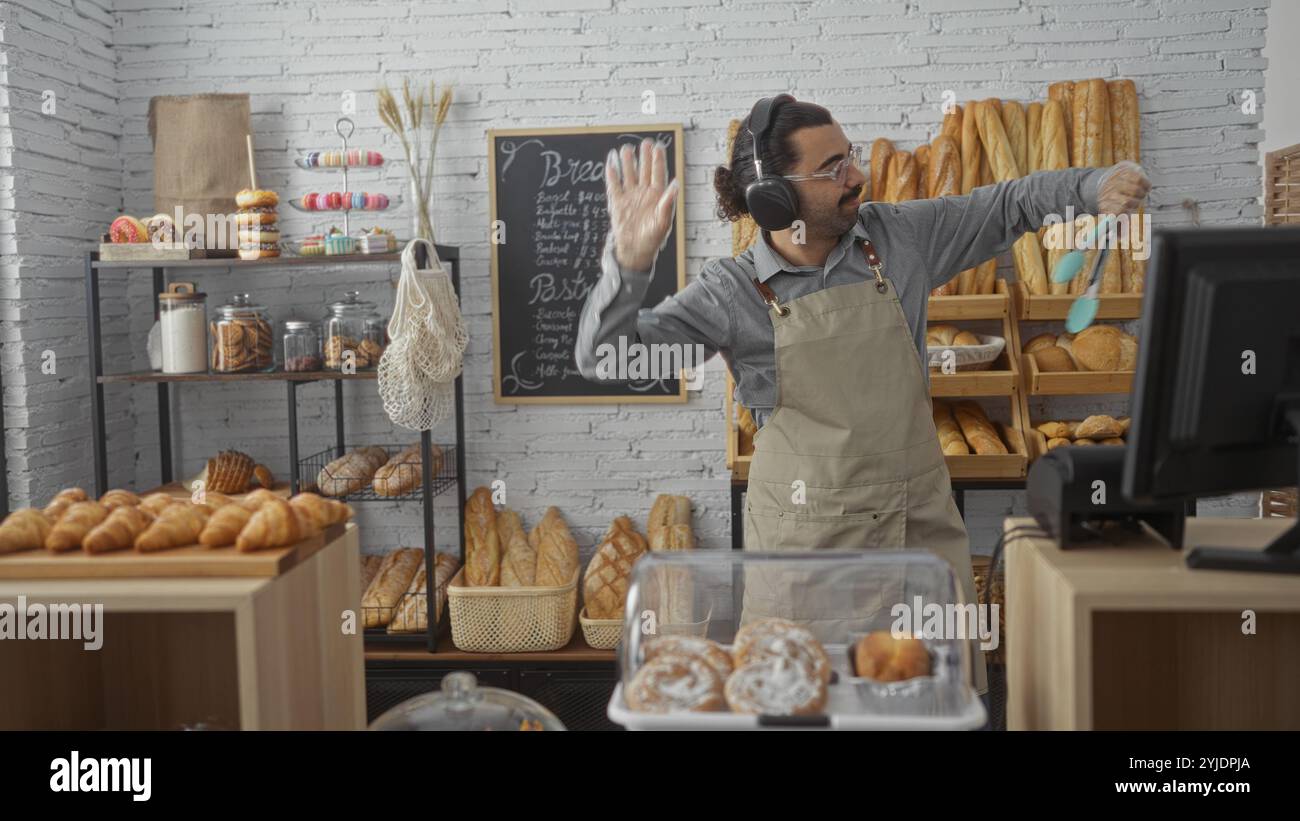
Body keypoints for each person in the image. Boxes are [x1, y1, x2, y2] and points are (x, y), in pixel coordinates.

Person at [576, 95, 1150, 697]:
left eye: (847, 156)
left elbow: (1007, 205)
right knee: (808, 701)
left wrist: (1094, 185)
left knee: (931, 703)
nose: (856, 175)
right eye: (831, 168)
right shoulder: (732, 291)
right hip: (807, 558)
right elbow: (610, 360)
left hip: (919, 538)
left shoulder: (899, 237)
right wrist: (629, 263)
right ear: (774, 197)